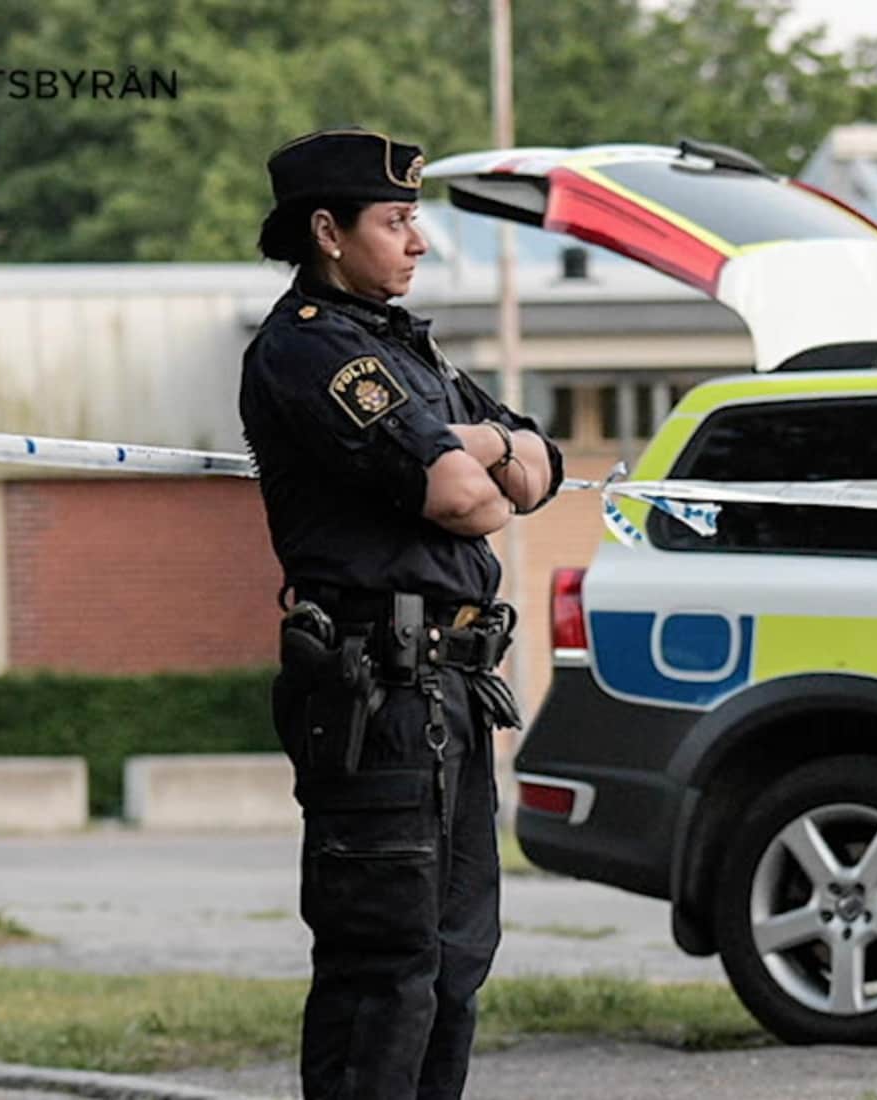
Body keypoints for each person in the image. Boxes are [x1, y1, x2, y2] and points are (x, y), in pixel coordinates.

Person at [237, 126, 563, 1100]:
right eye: (396, 219)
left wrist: (470, 443)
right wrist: (479, 455)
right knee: (386, 968)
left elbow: (534, 467)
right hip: (375, 694)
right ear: (328, 231)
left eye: (416, 217)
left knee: (457, 961)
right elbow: (470, 501)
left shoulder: (401, 348)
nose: (418, 239)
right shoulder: (313, 350)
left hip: (453, 690)